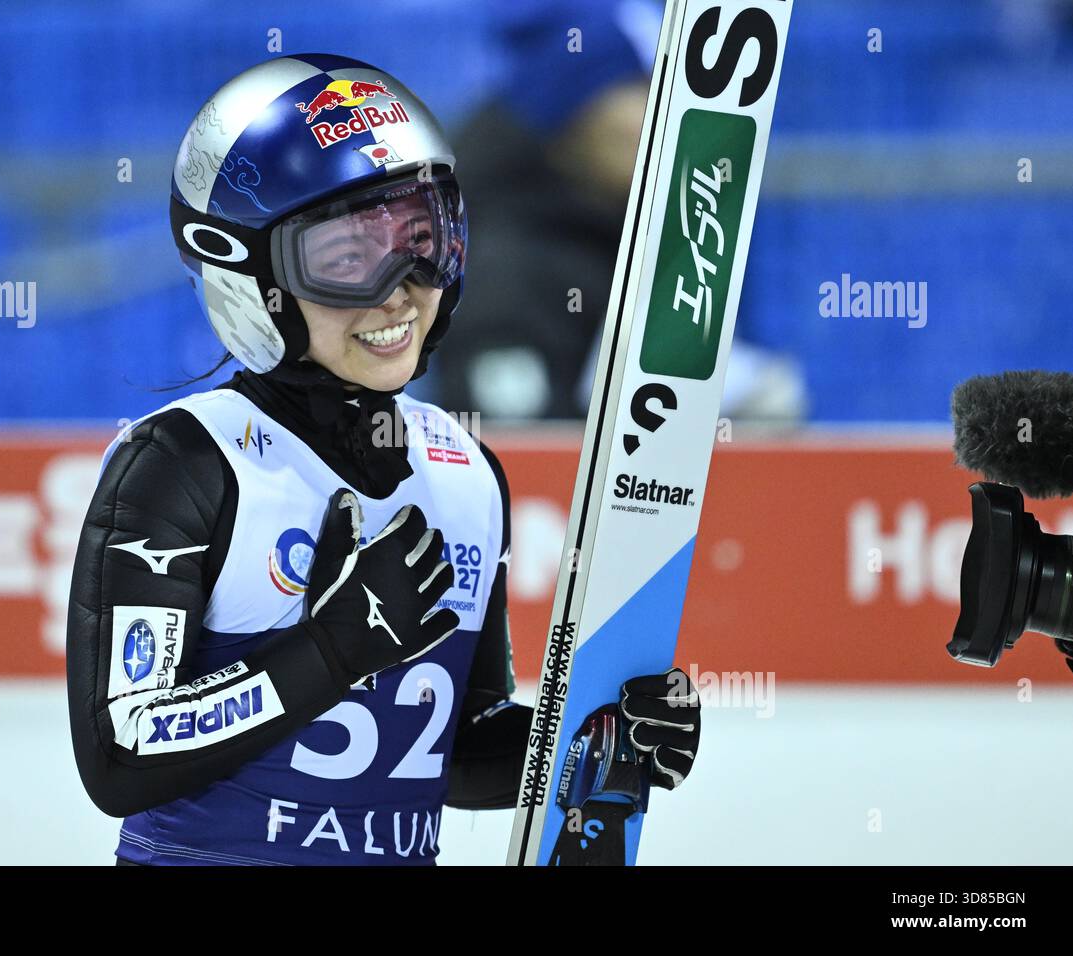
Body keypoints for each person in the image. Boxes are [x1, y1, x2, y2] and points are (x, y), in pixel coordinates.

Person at [65, 53, 700, 866]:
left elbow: (458, 750)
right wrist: (333, 646)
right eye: (345, 259)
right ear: (249, 278)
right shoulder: (187, 465)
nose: (400, 290)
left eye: (421, 237)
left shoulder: (464, 474)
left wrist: (593, 739)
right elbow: (122, 756)